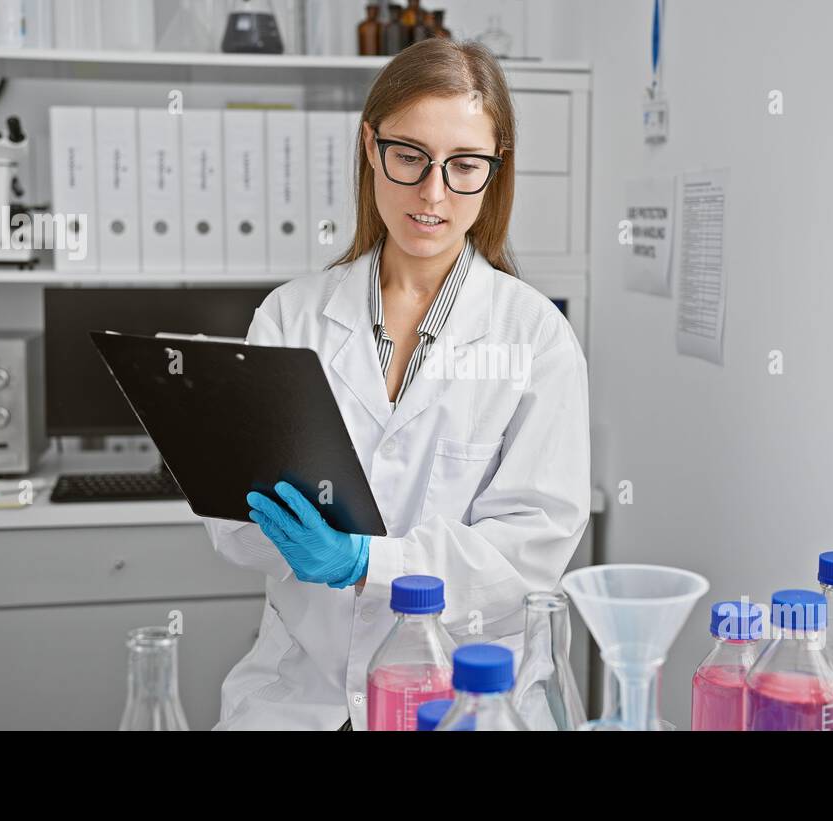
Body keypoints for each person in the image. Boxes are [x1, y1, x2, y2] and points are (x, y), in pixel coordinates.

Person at [203, 37, 590, 730]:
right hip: (301, 698)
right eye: (409, 156)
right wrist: (242, 490)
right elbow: (235, 529)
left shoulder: (535, 337)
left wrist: (363, 560)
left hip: (462, 698)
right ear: (369, 146)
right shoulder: (291, 317)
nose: (432, 193)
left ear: (494, 171)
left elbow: (529, 552)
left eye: (464, 164)